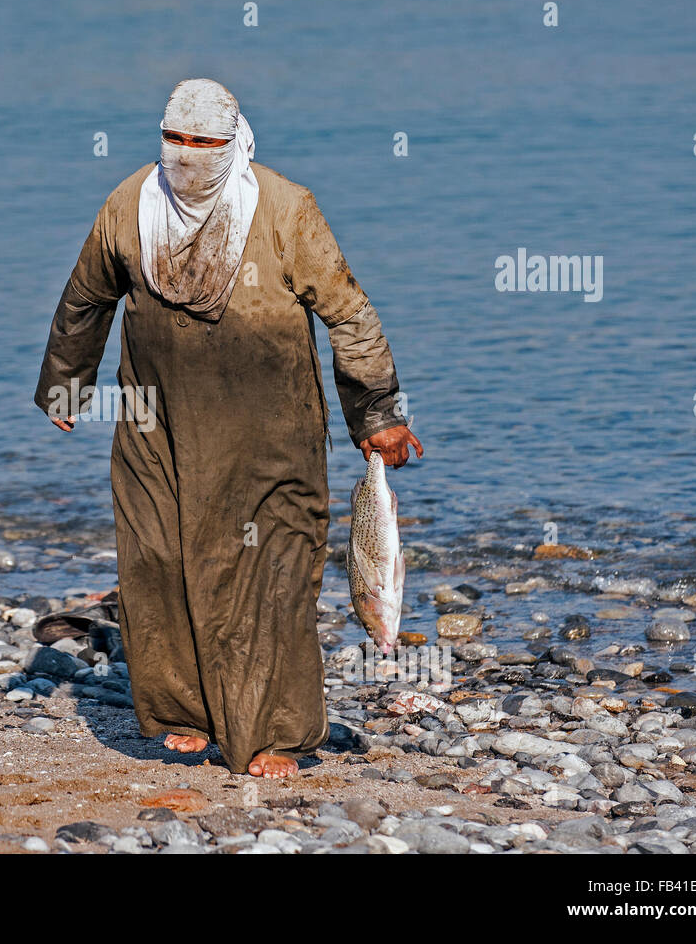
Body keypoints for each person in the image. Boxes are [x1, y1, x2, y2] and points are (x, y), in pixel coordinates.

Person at [34, 79, 423, 779]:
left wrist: (379, 414)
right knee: (159, 560)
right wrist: (68, 383)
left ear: (233, 143)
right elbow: (85, 298)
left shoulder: (282, 208)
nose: (186, 156)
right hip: (158, 428)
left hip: (270, 430)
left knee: (273, 571)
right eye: (175, 140)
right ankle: (185, 713)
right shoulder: (131, 206)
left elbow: (349, 312)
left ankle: (279, 733)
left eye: (204, 143)